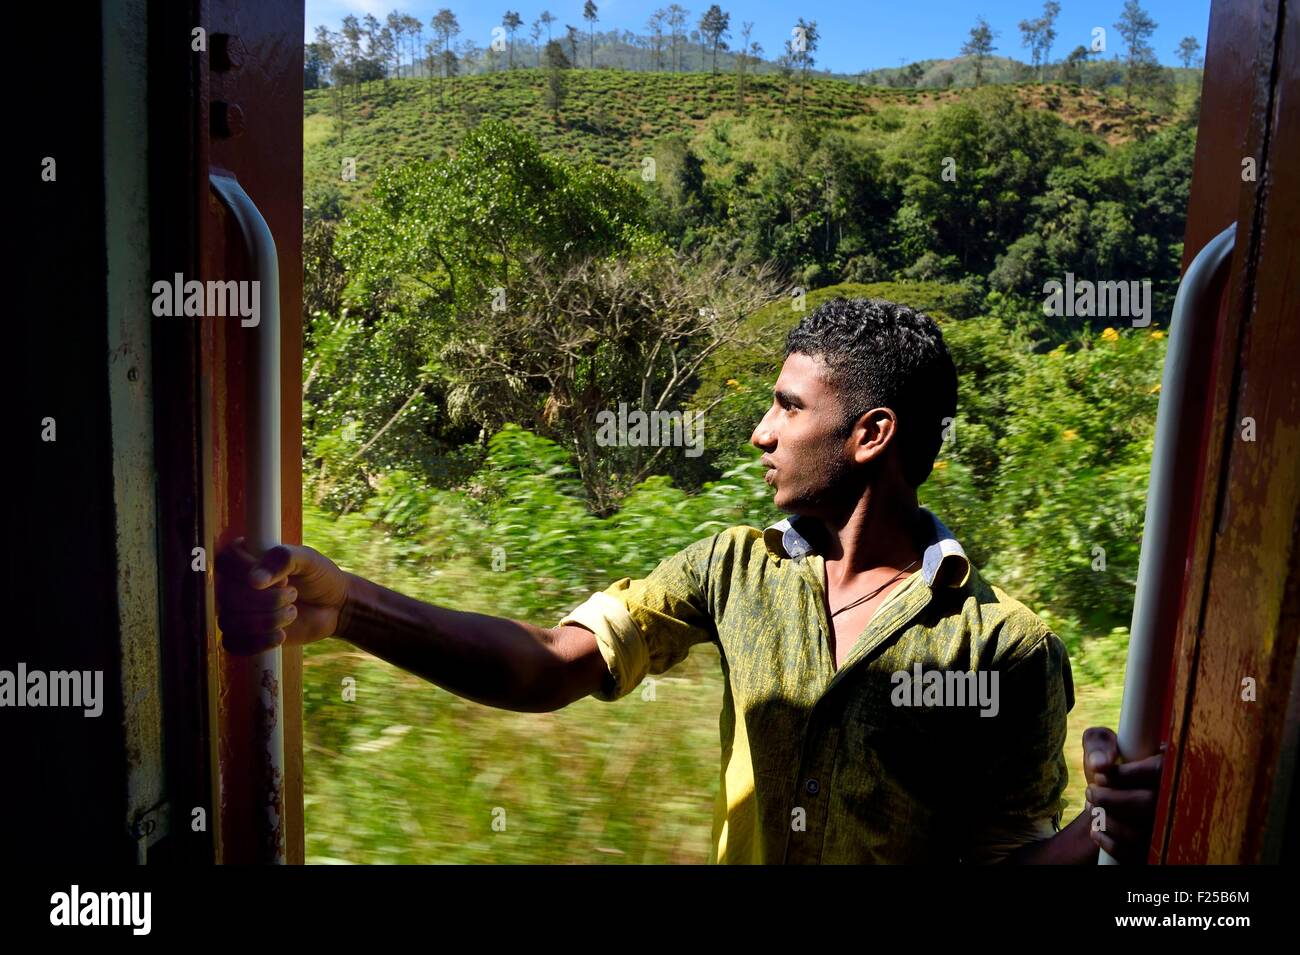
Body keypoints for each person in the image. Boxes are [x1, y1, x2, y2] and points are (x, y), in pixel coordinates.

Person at [217, 297, 1163, 864]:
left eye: (789, 407)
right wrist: (348, 605)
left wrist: (1110, 830)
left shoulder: (1005, 647)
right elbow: (550, 665)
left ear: (871, 435)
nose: (761, 432)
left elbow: (1014, 864)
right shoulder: (733, 568)